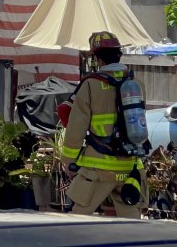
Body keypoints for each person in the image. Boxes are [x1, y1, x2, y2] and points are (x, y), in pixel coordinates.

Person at [60, 31, 146, 219]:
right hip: (129, 165)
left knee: (79, 215)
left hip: (98, 166)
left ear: (98, 59)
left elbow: (77, 126)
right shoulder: (133, 82)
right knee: (131, 216)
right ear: (118, 54)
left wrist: (68, 159)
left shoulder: (91, 84)